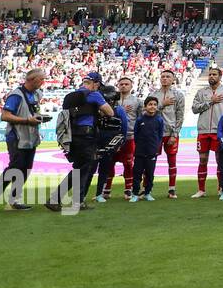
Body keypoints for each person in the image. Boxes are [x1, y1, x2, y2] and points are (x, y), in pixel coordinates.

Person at [47, 70, 117, 212]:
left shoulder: (73, 95)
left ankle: (65, 200)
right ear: (96, 84)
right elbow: (110, 112)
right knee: (83, 169)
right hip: (86, 136)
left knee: (79, 168)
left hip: (72, 136)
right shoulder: (94, 94)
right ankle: (67, 200)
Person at [0, 67, 47, 214]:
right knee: (14, 168)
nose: (43, 82)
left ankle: (14, 199)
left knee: (25, 169)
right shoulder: (16, 95)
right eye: (41, 79)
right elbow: (5, 116)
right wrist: (26, 120)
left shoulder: (37, 94)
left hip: (30, 137)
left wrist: (39, 117)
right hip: (16, 137)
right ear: (31, 80)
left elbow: (32, 112)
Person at [98, 76, 139, 201]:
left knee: (128, 163)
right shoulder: (108, 100)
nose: (124, 86)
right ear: (118, 86)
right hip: (110, 136)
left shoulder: (137, 101)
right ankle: (106, 190)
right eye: (121, 84)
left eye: (127, 84)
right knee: (110, 163)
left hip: (129, 137)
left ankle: (128, 189)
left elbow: (139, 119)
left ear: (131, 86)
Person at [190, 66, 223, 199]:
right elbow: (194, 108)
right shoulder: (201, 92)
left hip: (219, 131)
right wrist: (210, 102)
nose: (211, 76)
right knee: (203, 160)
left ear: (220, 76)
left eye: (214, 74)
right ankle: (201, 190)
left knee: (220, 160)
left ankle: (221, 188)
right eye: (210, 74)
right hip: (203, 130)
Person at [152, 69, 185, 199]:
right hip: (155, 133)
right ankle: (147, 188)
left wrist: (174, 134)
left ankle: (172, 189)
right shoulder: (153, 94)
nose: (164, 78)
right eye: (163, 76)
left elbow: (180, 116)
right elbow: (148, 111)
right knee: (150, 161)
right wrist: (162, 104)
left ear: (173, 79)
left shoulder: (178, 95)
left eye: (168, 77)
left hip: (170, 133)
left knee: (172, 161)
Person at [130, 96, 164, 202]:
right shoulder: (140, 119)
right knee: (137, 173)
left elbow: (159, 135)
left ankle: (147, 193)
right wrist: (139, 146)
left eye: (154, 104)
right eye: (150, 104)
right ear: (145, 106)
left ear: (157, 107)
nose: (152, 106)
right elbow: (136, 135)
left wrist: (155, 147)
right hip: (140, 151)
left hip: (152, 152)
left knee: (150, 174)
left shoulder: (159, 120)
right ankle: (135, 194)